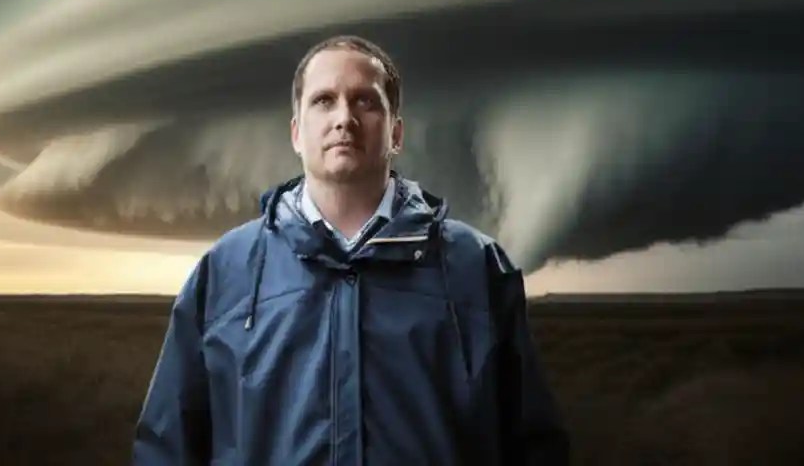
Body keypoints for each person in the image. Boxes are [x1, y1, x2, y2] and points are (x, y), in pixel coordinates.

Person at [132, 35, 569, 465]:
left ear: (395, 132)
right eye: (324, 100)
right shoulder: (225, 271)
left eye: (365, 101)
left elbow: (532, 443)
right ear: (296, 132)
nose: (344, 118)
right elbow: (168, 445)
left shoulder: (476, 267)